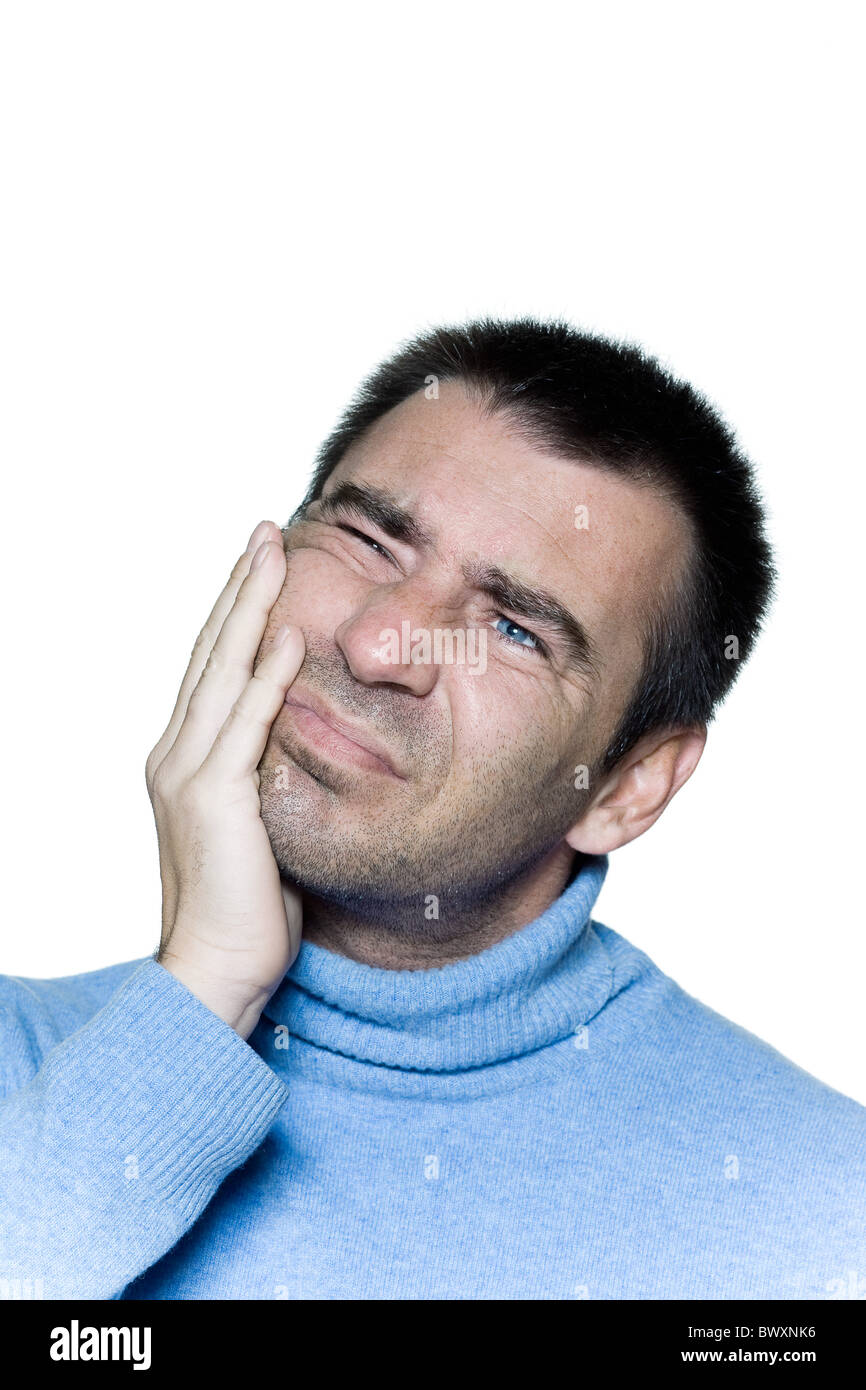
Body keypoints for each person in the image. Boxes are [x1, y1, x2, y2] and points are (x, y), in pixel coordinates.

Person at [1, 319, 863, 1301]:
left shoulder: (828, 1215)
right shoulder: (27, 1070)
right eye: (369, 539)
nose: (379, 646)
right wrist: (204, 992)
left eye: (511, 627)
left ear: (630, 788)